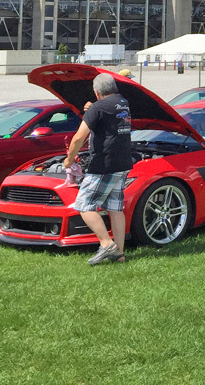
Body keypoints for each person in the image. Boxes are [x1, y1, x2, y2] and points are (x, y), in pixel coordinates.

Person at [65, 72, 133, 265]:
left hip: (104, 164)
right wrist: (92, 109)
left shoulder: (99, 107)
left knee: (84, 205)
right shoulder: (123, 102)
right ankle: (119, 254)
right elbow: (107, 115)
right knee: (115, 208)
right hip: (123, 162)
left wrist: (69, 160)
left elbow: (79, 137)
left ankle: (106, 244)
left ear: (96, 92)